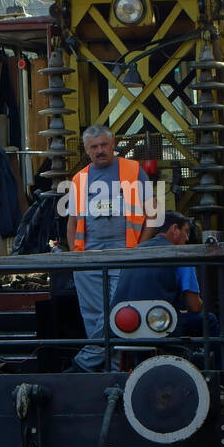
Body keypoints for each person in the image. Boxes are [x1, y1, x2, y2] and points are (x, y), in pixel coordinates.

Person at [63, 125, 158, 372]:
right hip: (88, 259)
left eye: (104, 145)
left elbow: (154, 213)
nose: (100, 150)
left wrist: (140, 249)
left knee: (118, 311)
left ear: (113, 143)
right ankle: (107, 370)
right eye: (94, 147)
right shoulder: (79, 179)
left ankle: (87, 364)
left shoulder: (132, 170)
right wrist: (76, 255)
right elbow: (72, 221)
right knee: (94, 315)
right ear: (86, 150)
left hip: (124, 256)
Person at [113, 210, 218, 338]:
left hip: (122, 326)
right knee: (210, 320)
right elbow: (194, 306)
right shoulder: (180, 255)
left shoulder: (134, 252)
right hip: (159, 325)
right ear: (174, 228)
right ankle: (214, 358)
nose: (187, 238)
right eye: (185, 231)